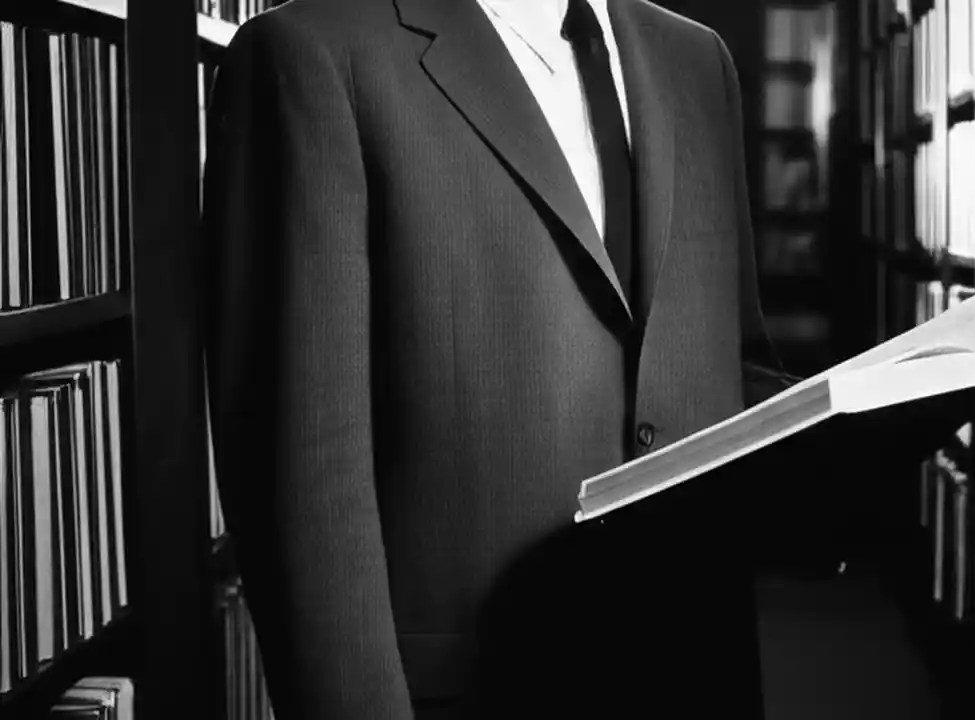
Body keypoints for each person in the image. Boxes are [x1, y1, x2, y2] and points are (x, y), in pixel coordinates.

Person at [202, 0, 794, 717]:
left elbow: (722, 365)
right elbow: (300, 473)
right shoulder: (308, 54)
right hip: (473, 688)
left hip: (696, 670)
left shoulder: (699, 59)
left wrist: (885, 408)